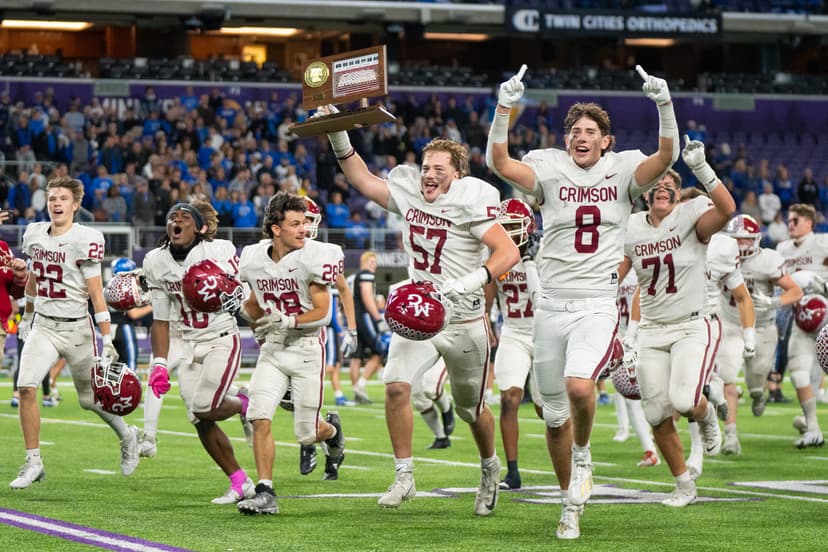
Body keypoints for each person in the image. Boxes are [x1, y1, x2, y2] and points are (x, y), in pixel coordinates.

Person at [486, 64, 679, 538]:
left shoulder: (624, 169)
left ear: (606, 140)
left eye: (591, 131)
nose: (581, 136)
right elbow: (500, 163)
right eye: (575, 130)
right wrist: (503, 107)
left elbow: (666, 157)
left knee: (578, 388)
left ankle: (585, 452)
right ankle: (568, 503)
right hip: (549, 305)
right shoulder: (549, 167)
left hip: (597, 302)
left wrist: (664, 104)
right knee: (553, 419)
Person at [323, 125, 519, 516]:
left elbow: (507, 250)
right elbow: (360, 177)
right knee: (396, 387)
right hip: (420, 308)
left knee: (470, 409)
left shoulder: (469, 203)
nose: (429, 175)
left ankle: (489, 467)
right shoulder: (411, 195)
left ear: (457, 176)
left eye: (439, 170)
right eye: (426, 167)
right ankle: (404, 475)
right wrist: (337, 134)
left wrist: (474, 280)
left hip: (463, 317)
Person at [618, 137, 736, 509]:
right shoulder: (632, 227)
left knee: (684, 400)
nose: (662, 190)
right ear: (645, 195)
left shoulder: (691, 219)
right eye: (656, 186)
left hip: (690, 324)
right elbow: (614, 276)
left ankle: (706, 418)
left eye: (670, 185)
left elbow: (727, 209)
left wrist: (701, 167)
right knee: (655, 413)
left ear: (678, 194)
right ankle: (683, 483)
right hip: (653, 327)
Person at [11, 176, 140, 489]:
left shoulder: (86, 238)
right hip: (44, 324)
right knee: (26, 386)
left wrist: (107, 337)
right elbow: (33, 279)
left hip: (77, 330)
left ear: (76, 204)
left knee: (88, 399)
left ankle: (127, 435)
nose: (56, 203)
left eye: (63, 198)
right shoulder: (35, 234)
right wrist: (27, 315)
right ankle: (33, 461)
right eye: (52, 197)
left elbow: (97, 294)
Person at [235, 192, 345, 515]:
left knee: (307, 433)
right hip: (273, 350)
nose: (303, 230)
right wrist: (250, 318)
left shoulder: (312, 257)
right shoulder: (254, 259)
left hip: (307, 350)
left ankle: (333, 432)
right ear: (275, 228)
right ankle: (265, 490)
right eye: (295, 223)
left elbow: (324, 313)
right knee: (258, 415)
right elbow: (255, 304)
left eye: (306, 223)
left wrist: (288, 320)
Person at [142, 200, 254, 504]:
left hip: (220, 336)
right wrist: (160, 364)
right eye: (171, 217)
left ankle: (246, 403)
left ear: (199, 227)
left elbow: (244, 286)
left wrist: (236, 295)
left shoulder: (218, 251)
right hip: (189, 342)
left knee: (205, 406)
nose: (175, 221)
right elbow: (161, 320)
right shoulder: (155, 261)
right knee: (199, 418)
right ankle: (240, 482)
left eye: (183, 218)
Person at [483, 198, 544, 489]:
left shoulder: (545, 252)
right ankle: (513, 470)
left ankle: (577, 453)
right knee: (509, 399)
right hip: (515, 331)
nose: (508, 233)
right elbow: (490, 287)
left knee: (548, 410)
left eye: (513, 227)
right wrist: (485, 316)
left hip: (545, 333)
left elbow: (542, 297)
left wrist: (530, 262)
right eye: (504, 227)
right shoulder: (497, 253)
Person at [298, 196, 358, 476]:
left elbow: (343, 289)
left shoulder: (324, 252)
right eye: (300, 220)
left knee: (305, 398)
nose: (305, 226)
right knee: (287, 399)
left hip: (312, 333)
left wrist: (351, 328)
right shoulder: (275, 249)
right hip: (280, 334)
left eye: (310, 220)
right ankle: (324, 432)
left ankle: (317, 439)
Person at [776, 203, 828, 447]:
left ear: (809, 223)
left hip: (825, 319)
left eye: (795, 220)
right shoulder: (782, 249)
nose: (790, 224)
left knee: (817, 381)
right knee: (798, 373)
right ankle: (813, 429)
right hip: (800, 320)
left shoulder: (821, 242)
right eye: (789, 220)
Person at [613, 271, 660, 468]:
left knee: (639, 395)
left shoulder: (616, 272)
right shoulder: (635, 270)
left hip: (637, 335)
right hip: (635, 335)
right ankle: (649, 446)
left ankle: (652, 445)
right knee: (631, 395)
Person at [349, 251, 387, 404]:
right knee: (379, 351)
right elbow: (367, 297)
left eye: (375, 262)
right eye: (371, 262)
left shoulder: (356, 276)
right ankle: (360, 385)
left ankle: (357, 391)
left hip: (354, 318)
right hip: (364, 317)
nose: (374, 265)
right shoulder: (366, 275)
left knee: (356, 357)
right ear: (363, 263)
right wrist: (378, 318)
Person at [411, 357, 455, 449]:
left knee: (432, 388)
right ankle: (441, 438)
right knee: (419, 398)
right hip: (417, 351)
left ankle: (447, 408)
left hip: (444, 347)